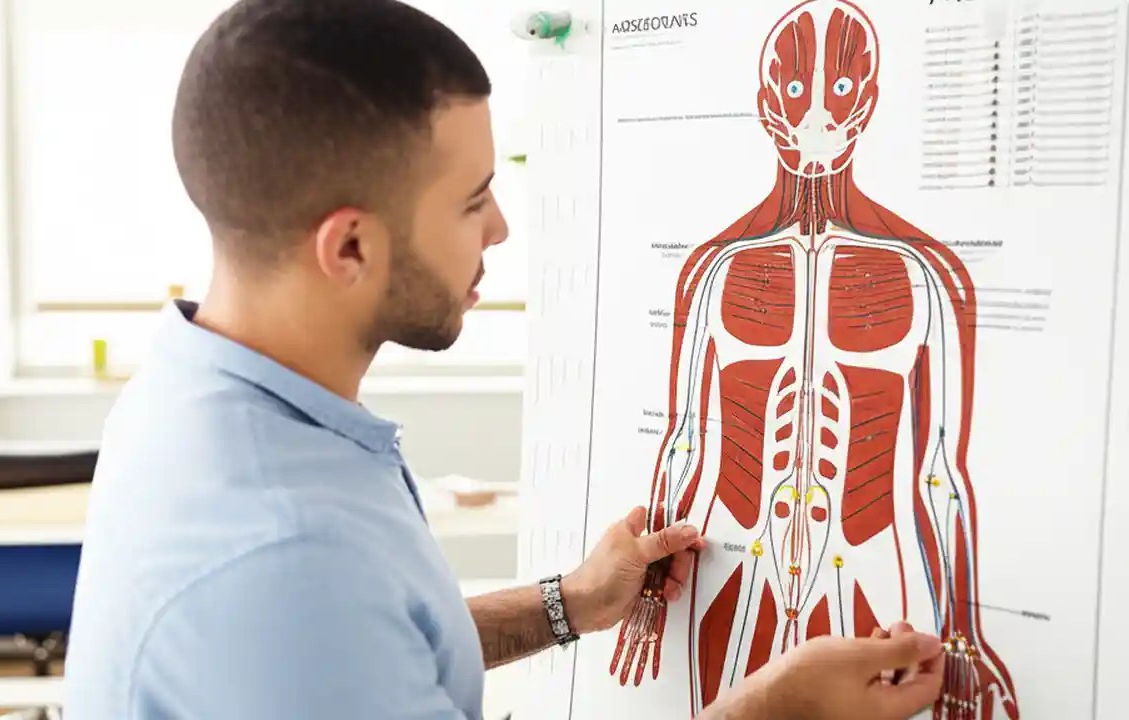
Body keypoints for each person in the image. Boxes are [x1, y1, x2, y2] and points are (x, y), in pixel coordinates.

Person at [61, 0, 947, 718]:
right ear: (351, 248)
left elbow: (370, 650)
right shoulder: (283, 557)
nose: (500, 229)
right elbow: (320, 623)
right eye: (472, 201)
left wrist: (568, 601)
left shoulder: (192, 392)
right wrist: (779, 709)